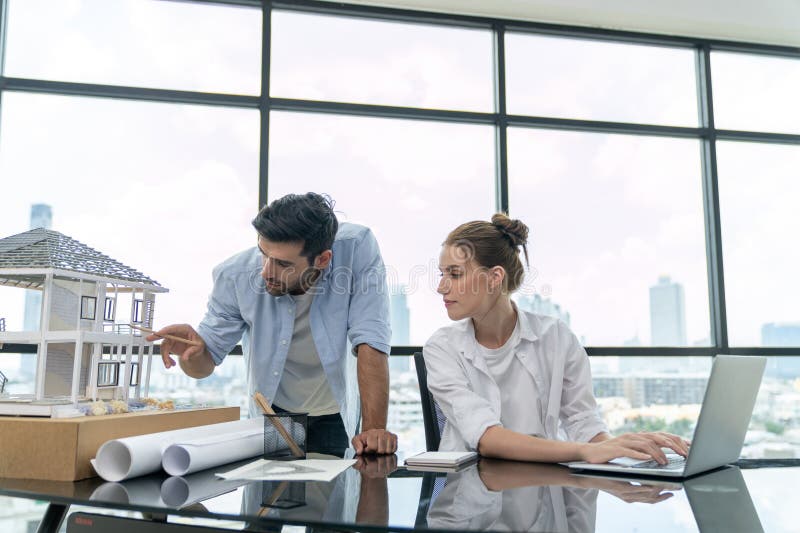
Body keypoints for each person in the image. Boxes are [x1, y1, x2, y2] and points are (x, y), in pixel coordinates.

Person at [423, 213, 689, 464]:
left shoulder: (557, 337)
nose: (440, 287)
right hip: (471, 496)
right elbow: (487, 438)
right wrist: (588, 451)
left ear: (495, 277)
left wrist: (623, 452)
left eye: (454, 274)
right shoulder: (441, 348)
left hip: (545, 489)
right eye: (442, 274)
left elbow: (583, 421)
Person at [149, 193, 397, 456]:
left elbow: (371, 337)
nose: (266, 271)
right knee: (267, 494)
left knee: (338, 491)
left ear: (322, 260)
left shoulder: (357, 249)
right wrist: (193, 353)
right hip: (273, 413)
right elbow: (201, 368)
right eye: (263, 254)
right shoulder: (235, 275)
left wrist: (374, 430)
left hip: (335, 411)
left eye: (283, 264)